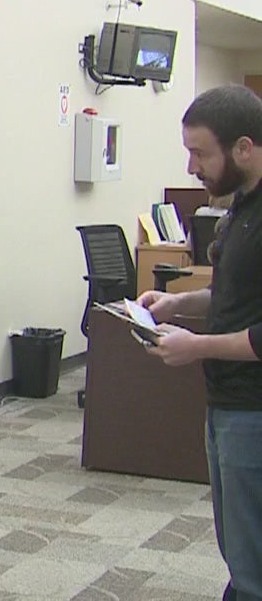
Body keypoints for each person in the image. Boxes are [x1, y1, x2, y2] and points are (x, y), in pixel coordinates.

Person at [138, 84, 262, 601]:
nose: (192, 168)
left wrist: (197, 347)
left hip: (253, 410)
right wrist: (177, 305)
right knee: (238, 549)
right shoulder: (240, 210)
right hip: (226, 404)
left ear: (244, 149)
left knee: (252, 565)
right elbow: (233, 295)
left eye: (201, 153)